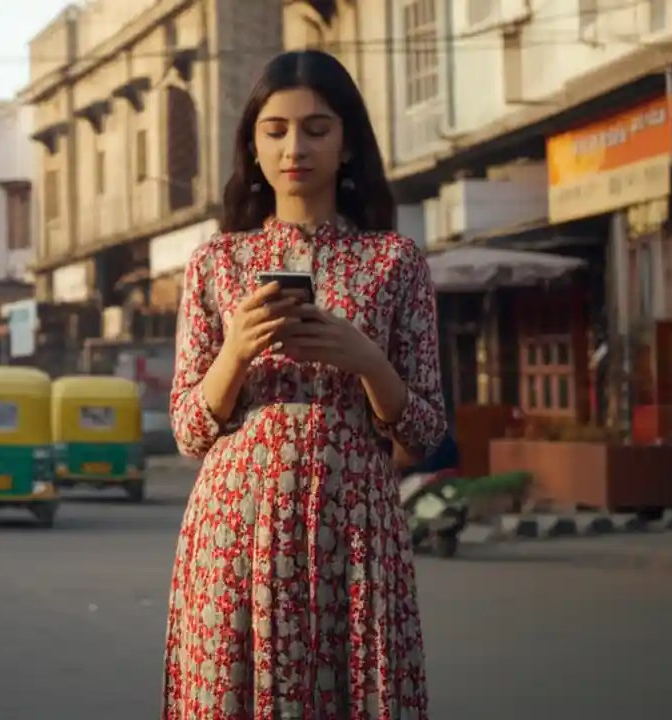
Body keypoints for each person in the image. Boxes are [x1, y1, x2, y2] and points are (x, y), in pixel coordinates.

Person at [163, 50, 446, 719]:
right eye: (276, 129)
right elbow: (188, 430)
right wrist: (233, 353)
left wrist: (368, 361)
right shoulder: (216, 262)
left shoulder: (394, 262)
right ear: (253, 147)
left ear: (347, 144)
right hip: (235, 532)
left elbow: (426, 430)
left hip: (355, 533)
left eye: (317, 129)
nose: (296, 146)